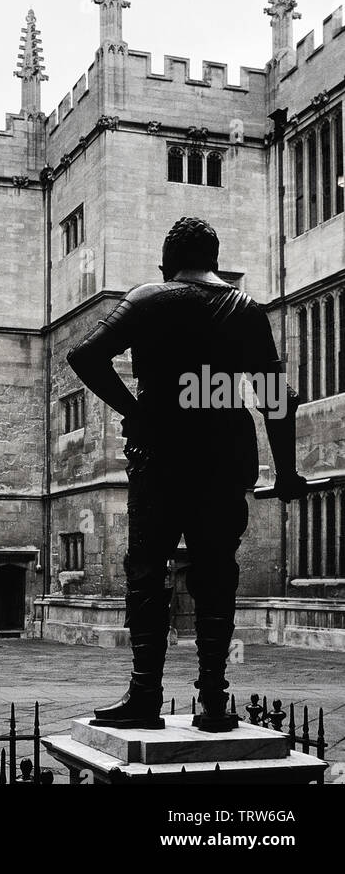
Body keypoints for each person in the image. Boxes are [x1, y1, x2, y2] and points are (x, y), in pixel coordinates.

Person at [67, 216, 307, 732]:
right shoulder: (245, 308)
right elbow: (274, 397)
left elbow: (84, 355)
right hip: (223, 455)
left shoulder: (149, 298)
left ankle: (145, 696)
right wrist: (285, 471)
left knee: (147, 572)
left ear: (168, 263)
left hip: (161, 454)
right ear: (214, 261)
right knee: (216, 573)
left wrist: (133, 408)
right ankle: (215, 701)